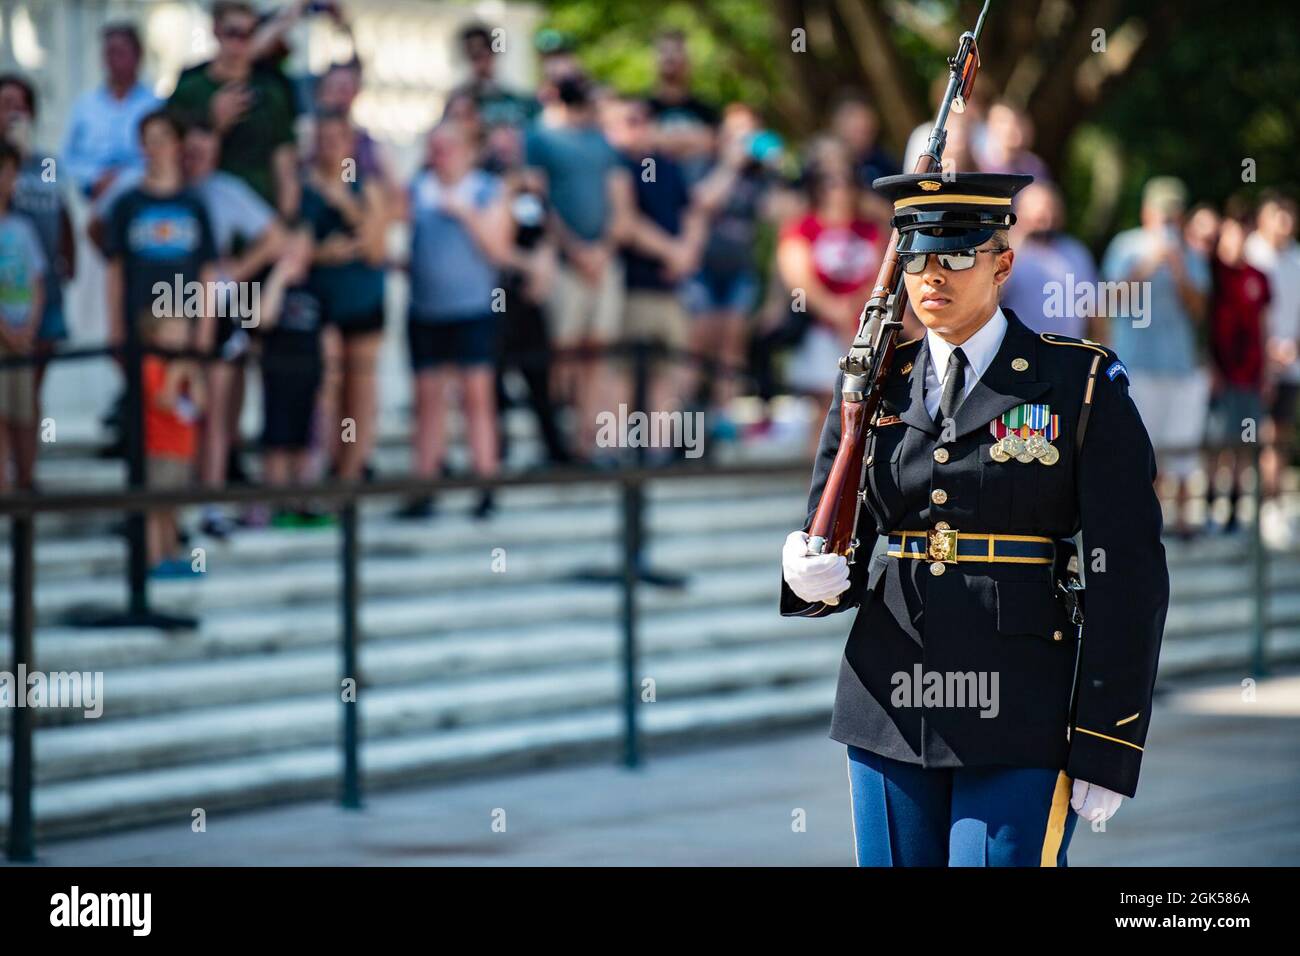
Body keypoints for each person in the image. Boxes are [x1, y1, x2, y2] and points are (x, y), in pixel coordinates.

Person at [780, 172, 1170, 867]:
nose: (933, 276)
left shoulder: (1078, 386)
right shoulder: (875, 385)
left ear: (1003, 263)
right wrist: (806, 575)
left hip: (1021, 708)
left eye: (957, 255)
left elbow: (1129, 573)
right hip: (889, 701)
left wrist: (1109, 737)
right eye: (917, 258)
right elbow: (838, 536)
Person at [397, 120, 511, 519]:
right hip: (426, 311)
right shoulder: (416, 191)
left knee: (477, 398)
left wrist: (466, 215)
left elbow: (499, 251)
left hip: (472, 310)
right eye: (435, 147)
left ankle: (485, 483)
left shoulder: (485, 190)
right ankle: (424, 485)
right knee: (427, 400)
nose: (440, 154)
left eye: (448, 146)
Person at [523, 72, 631, 460]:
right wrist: (573, 249)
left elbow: (620, 200)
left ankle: (588, 440)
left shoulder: (604, 142)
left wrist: (602, 249)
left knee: (596, 351)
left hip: (602, 263)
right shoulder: (540, 138)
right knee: (562, 352)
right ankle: (556, 440)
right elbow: (537, 200)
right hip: (565, 263)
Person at [1101, 176, 1211, 539]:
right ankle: (1148, 521)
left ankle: (1181, 522)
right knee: (1144, 446)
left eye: (1173, 212)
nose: (1167, 218)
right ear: (1147, 211)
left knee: (1182, 447)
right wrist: (1149, 264)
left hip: (1179, 365)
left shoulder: (1191, 253)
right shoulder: (1126, 246)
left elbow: (1198, 310)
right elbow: (1110, 300)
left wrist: (1178, 268)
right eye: (1162, 211)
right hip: (1139, 364)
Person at [603, 95, 703, 451]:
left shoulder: (667, 165)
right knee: (623, 373)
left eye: (644, 119)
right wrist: (674, 252)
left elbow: (691, 211)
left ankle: (658, 452)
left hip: (671, 289)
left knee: (668, 372)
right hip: (631, 287)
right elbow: (626, 223)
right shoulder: (615, 166)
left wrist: (687, 253)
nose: (640, 125)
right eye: (630, 120)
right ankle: (615, 452)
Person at [775, 151, 884, 452]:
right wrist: (835, 313)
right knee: (827, 406)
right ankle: (820, 484)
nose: (838, 189)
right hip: (820, 329)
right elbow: (800, 281)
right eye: (828, 182)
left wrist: (855, 314)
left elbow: (881, 273)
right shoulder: (802, 226)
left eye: (845, 181)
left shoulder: (868, 227)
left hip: (865, 326)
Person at [300, 111, 388, 484]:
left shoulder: (363, 187)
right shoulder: (301, 188)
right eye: (323, 138)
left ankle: (352, 469)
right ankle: (327, 462)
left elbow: (375, 248)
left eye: (338, 138)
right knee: (328, 384)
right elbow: (290, 247)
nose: (330, 146)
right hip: (320, 303)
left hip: (363, 301)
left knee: (360, 388)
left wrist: (343, 202)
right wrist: (323, 254)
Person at [168, 0, 298, 216]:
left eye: (249, 33)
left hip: (260, 213)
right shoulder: (188, 89)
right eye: (233, 33)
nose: (240, 44)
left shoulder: (271, 91)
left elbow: (284, 164)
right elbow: (170, 158)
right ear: (216, 31)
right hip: (203, 209)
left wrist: (288, 222)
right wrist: (213, 122)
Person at [1, 74, 76, 401]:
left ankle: (28, 449)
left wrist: (71, 258)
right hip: (9, 290)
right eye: (6, 105)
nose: (15, 113)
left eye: (21, 106)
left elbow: (59, 208)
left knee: (33, 386)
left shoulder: (46, 163)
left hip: (46, 287)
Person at [257, 227, 329, 527]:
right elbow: (262, 319)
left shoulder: (318, 288)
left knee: (305, 443)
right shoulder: (268, 285)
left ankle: (303, 502)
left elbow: (329, 336)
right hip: (277, 378)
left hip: (309, 377)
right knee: (277, 441)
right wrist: (277, 278)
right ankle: (277, 503)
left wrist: (330, 380)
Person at [1207, 206, 1271, 533]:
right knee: (1215, 445)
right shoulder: (1211, 273)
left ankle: (1234, 512)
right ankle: (1208, 508)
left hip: (1250, 374)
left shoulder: (1258, 277)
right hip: (1219, 373)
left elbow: (1264, 327)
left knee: (1243, 447)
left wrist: (1267, 374)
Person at [1245, 192, 1300, 545]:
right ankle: (1250, 509)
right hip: (1251, 364)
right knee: (1252, 436)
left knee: (1277, 435)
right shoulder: (1250, 254)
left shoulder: (1296, 258)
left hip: (1291, 362)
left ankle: (1271, 508)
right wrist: (1264, 351)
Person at [59, 22, 161, 200]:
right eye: (109, 53)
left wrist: (121, 181)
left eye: (121, 53)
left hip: (141, 198)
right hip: (91, 200)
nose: (114, 60)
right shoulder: (85, 105)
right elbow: (66, 159)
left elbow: (162, 156)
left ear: (138, 56)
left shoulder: (155, 105)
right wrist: (94, 178)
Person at [140, 310, 204, 577]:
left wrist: (194, 376)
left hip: (183, 449)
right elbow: (163, 401)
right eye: (173, 331)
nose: (180, 337)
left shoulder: (186, 367)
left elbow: (201, 405)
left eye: (183, 331)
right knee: (155, 508)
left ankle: (173, 556)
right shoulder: (151, 365)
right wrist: (176, 374)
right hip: (159, 449)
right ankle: (154, 560)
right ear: (155, 335)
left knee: (173, 509)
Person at [0, 141, 45, 491]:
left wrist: (26, 329)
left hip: (23, 338)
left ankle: (26, 487)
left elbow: (38, 281)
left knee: (24, 413)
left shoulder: (24, 228)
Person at [1002, 181, 1102, 340]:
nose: (1047, 219)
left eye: (1051, 210)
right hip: (1020, 354)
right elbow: (991, 301)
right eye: (1039, 214)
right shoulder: (1007, 253)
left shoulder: (1075, 252)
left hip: (1068, 353)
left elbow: (1095, 310)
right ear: (1020, 212)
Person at [457, 22, 538, 129]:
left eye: (482, 53)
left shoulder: (517, 98)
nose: (479, 62)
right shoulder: (460, 100)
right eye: (473, 55)